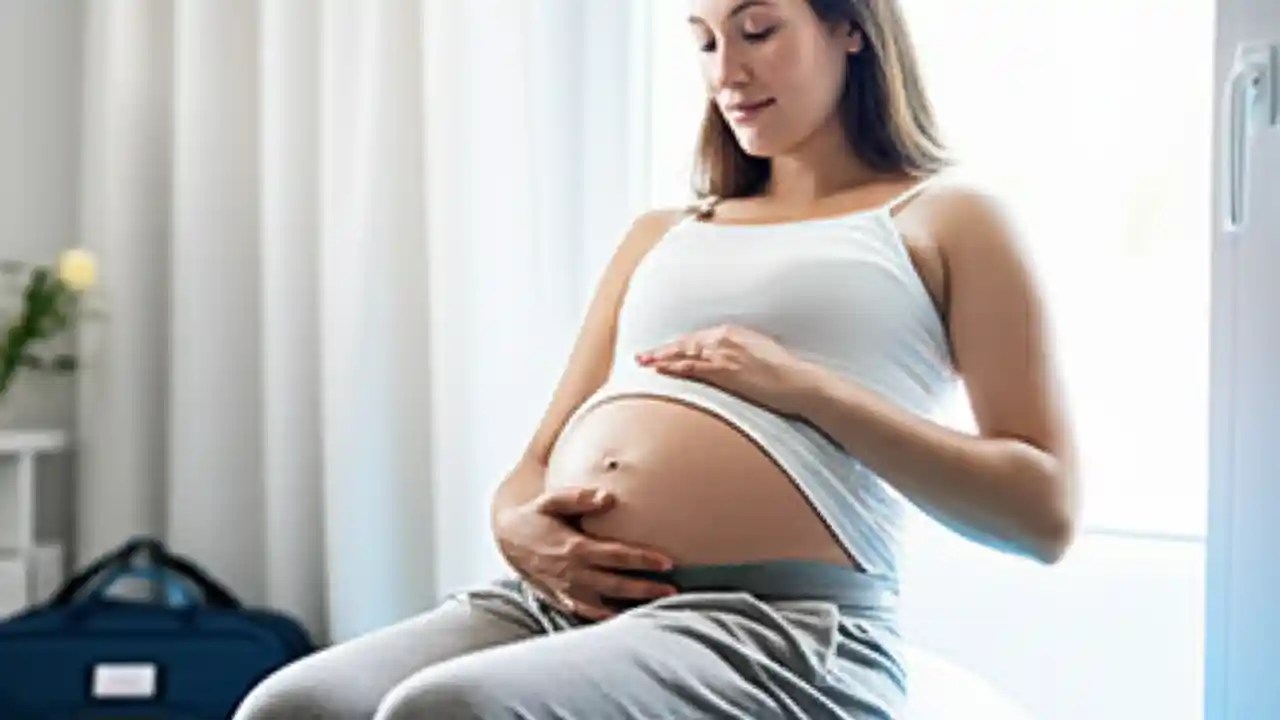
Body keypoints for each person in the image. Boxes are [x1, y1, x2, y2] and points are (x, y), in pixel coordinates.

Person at [233, 0, 1079, 717]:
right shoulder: (663, 233)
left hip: (771, 620)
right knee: (291, 707)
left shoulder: (945, 219)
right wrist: (520, 529)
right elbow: (535, 459)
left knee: (448, 712)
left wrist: (805, 389)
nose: (727, 73)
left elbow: (1043, 512)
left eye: (757, 30)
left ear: (850, 27)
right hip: (559, 603)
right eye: (706, 42)